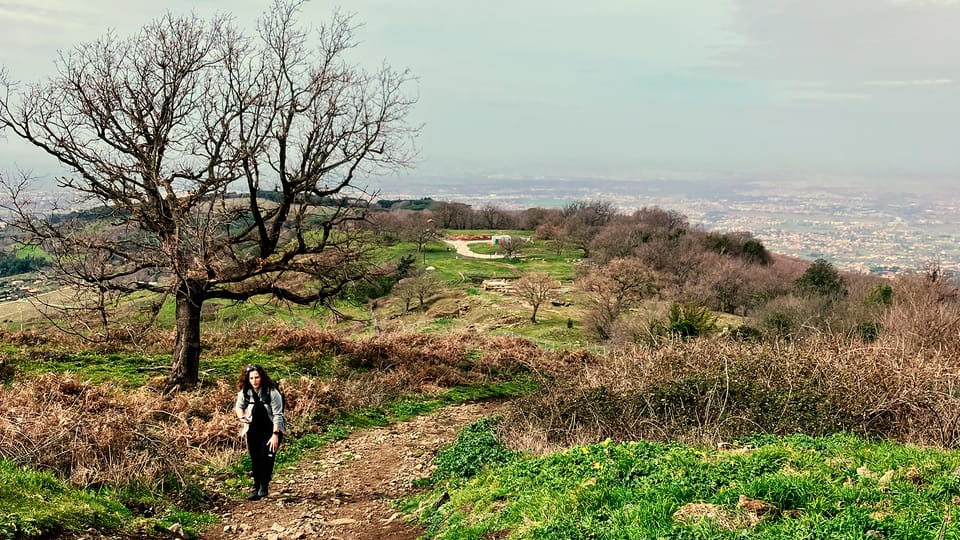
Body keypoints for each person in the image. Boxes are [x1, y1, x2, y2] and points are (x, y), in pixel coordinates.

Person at [234, 364, 286, 501]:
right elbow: (239, 407)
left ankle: (264, 486)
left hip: (271, 429)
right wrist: (241, 417)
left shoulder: (272, 392)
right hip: (253, 430)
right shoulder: (245, 391)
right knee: (255, 459)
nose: (254, 381)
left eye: (256, 377)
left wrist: (275, 435)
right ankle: (256, 487)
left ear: (261, 377)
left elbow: (278, 415)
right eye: (251, 378)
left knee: (266, 457)